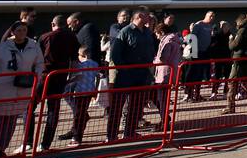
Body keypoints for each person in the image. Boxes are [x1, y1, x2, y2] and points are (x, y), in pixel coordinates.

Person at [0, 21, 44, 158]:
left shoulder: (34, 47)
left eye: (24, 30)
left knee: (10, 123)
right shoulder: (1, 48)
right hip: (0, 91)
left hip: (21, 90)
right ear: (12, 32)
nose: (22, 33)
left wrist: (36, 78)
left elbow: (40, 64)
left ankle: (2, 150)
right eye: (19, 30)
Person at [106, 8, 158, 142]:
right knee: (117, 106)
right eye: (147, 16)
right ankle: (111, 135)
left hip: (142, 75)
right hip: (125, 75)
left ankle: (129, 132)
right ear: (140, 16)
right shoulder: (126, 31)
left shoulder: (147, 32)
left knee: (136, 106)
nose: (150, 19)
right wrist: (124, 69)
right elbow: (116, 54)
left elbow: (151, 50)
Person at [38, 14, 79, 152]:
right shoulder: (72, 37)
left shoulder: (45, 37)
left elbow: (37, 58)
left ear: (52, 24)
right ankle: (46, 144)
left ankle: (29, 141)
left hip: (44, 76)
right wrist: (72, 76)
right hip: (60, 76)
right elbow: (74, 60)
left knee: (30, 107)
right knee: (53, 110)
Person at [224, 13, 247, 114]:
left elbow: (233, 46)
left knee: (232, 82)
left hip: (239, 59)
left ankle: (230, 106)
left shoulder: (242, 30)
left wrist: (230, 39)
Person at [64, 45, 100, 146]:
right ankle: (78, 135)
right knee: (82, 112)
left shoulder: (80, 65)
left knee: (78, 115)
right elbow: (97, 77)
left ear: (81, 55)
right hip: (89, 91)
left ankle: (76, 137)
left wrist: (67, 82)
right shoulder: (95, 64)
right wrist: (95, 89)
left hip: (79, 92)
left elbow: (78, 77)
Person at [152, 19, 183, 126]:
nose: (156, 36)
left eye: (156, 34)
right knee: (163, 98)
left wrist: (154, 60)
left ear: (161, 32)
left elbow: (163, 58)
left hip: (163, 74)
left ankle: (164, 121)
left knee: (162, 99)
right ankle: (165, 119)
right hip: (171, 73)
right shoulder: (175, 40)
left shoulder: (167, 41)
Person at [183, 11, 215, 100]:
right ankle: (189, 93)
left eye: (213, 16)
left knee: (200, 74)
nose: (212, 18)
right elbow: (192, 38)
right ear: (206, 16)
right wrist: (194, 53)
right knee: (192, 73)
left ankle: (197, 94)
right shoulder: (199, 24)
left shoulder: (210, 26)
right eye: (210, 16)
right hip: (196, 53)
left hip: (204, 53)